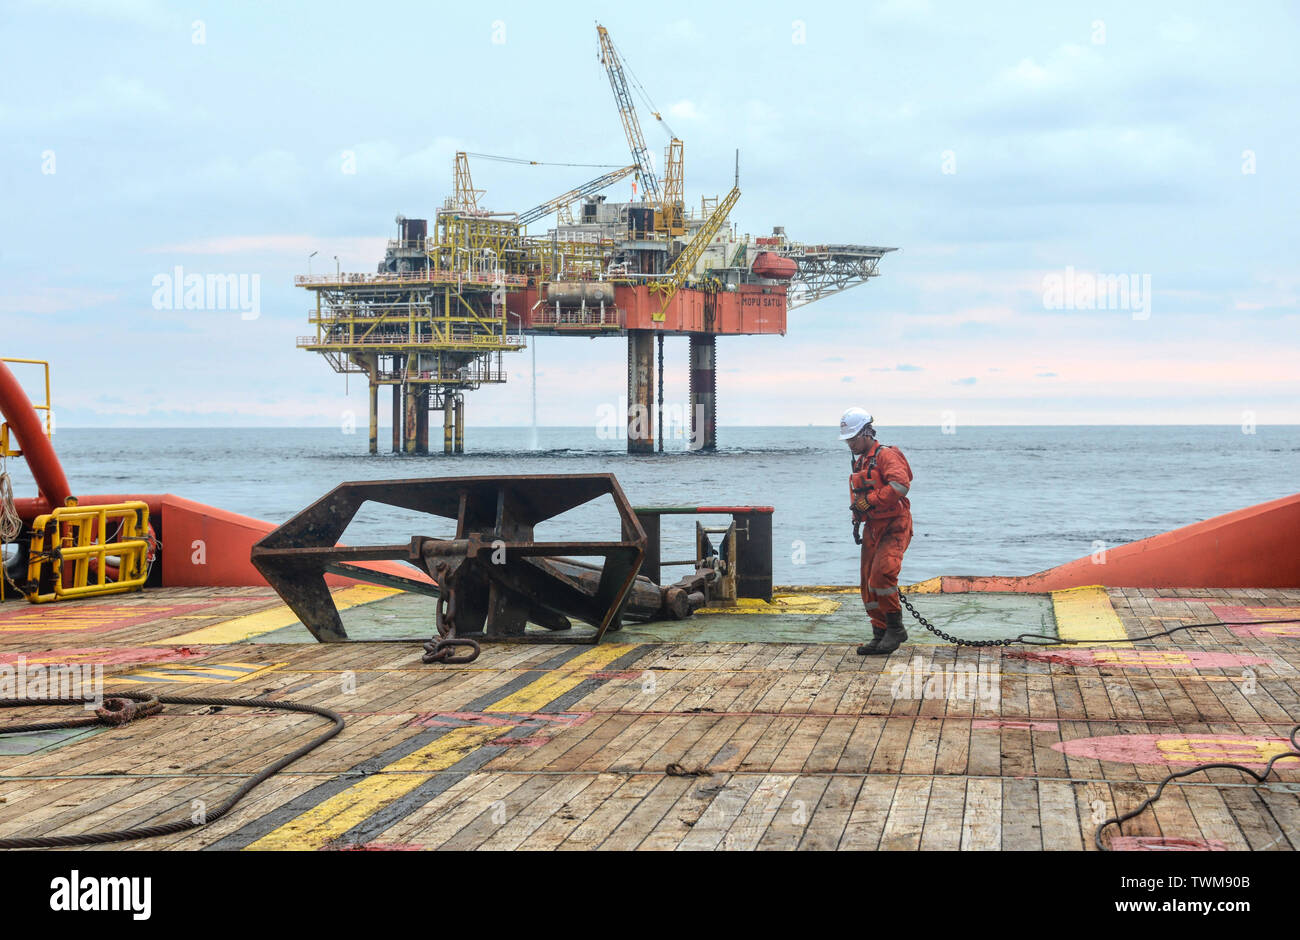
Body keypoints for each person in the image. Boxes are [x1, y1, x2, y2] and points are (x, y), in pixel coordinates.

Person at [840, 407, 914, 655]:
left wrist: (870, 500)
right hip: (873, 526)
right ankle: (879, 632)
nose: (850, 443)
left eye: (853, 438)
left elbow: (900, 486)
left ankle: (896, 628)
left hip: (894, 524)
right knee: (868, 585)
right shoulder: (860, 460)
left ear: (866, 433)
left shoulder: (885, 456)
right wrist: (858, 516)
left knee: (883, 576)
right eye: (847, 439)